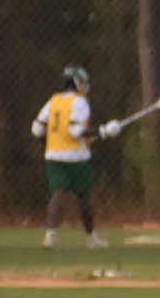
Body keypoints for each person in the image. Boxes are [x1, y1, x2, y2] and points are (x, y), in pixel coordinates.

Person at [32, 65, 118, 249]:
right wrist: (102, 131)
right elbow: (76, 130)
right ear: (78, 83)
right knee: (84, 197)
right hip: (77, 157)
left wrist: (51, 144)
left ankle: (51, 236)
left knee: (58, 193)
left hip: (54, 156)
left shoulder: (53, 101)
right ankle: (92, 237)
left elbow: (37, 129)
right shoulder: (79, 102)